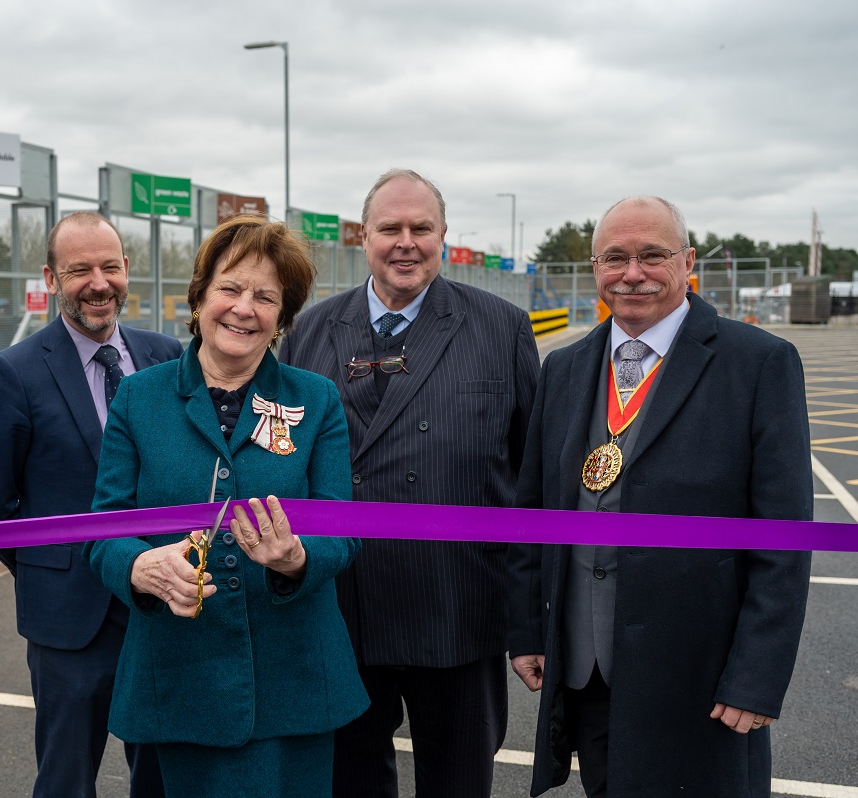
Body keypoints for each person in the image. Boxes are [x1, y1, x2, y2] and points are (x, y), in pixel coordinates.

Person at [506, 196, 812, 797]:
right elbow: (534, 511)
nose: (633, 273)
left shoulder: (759, 364)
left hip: (700, 680)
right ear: (595, 267)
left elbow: (785, 539)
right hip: (586, 667)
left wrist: (756, 677)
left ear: (688, 260)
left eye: (652, 255)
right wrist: (526, 632)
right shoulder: (564, 368)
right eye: (614, 258)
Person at [84, 214, 369, 797]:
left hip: (293, 681)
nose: (245, 308)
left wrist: (296, 560)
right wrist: (140, 569)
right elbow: (104, 531)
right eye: (231, 288)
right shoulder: (140, 397)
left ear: (282, 318)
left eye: (266, 297)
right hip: (179, 679)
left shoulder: (316, 400)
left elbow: (343, 533)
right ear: (199, 297)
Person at [279, 168, 540, 797]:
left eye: (420, 228)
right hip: (343, 611)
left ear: (443, 236)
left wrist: (530, 621)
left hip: (457, 609)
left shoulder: (501, 327)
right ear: (363, 237)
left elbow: (532, 481)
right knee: (350, 784)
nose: (406, 242)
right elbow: (284, 463)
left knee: (457, 784)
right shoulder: (311, 331)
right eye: (389, 228)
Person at [0, 211, 177, 798]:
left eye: (110, 266)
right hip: (69, 618)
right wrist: (50, 565)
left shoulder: (165, 356)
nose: (98, 282)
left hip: (160, 607)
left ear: (127, 269)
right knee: (66, 778)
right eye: (79, 269)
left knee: (164, 774)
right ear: (52, 277)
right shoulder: (16, 371)